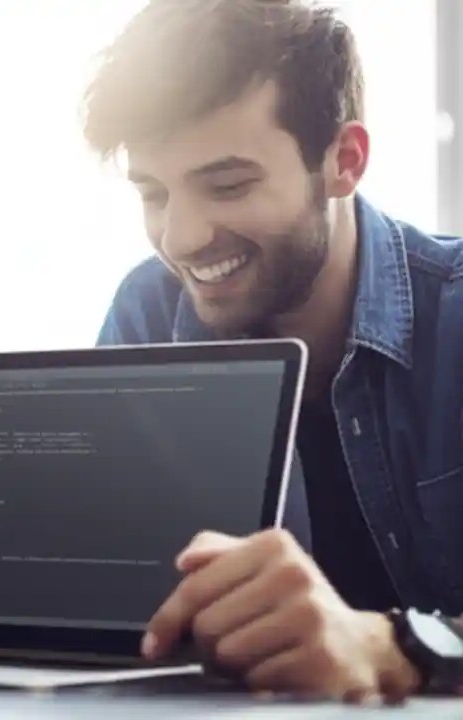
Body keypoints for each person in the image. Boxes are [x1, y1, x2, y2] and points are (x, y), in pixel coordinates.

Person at [85, 0, 463, 700]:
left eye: (227, 186)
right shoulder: (146, 314)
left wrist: (395, 646)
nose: (181, 239)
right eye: (154, 194)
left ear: (344, 161)